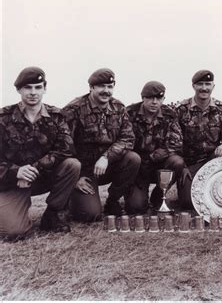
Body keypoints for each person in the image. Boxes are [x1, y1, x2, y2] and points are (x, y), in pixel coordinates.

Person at [0, 67, 80, 239]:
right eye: (28, 87)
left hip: (43, 177)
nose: (33, 92)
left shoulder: (57, 116)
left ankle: (53, 214)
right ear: (18, 90)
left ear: (44, 88)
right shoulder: (3, 118)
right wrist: (17, 172)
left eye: (38, 87)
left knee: (72, 165)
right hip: (12, 182)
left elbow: (66, 149)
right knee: (14, 232)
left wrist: (33, 168)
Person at [62, 68, 140, 221]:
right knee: (91, 215)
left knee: (133, 159)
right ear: (91, 88)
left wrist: (106, 157)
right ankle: (72, 199)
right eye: (101, 86)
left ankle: (113, 201)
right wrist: (75, 178)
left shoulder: (118, 107)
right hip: (84, 172)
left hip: (107, 166)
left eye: (110, 87)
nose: (106, 91)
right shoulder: (74, 109)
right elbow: (63, 144)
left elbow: (128, 138)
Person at [175, 69, 222, 209]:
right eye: (200, 84)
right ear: (193, 86)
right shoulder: (181, 109)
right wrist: (183, 167)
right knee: (188, 202)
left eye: (208, 84)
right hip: (190, 163)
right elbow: (174, 142)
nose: (204, 88)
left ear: (213, 86)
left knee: (216, 197)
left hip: (213, 161)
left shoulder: (221, 109)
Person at [125, 81, 184, 214]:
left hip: (158, 164)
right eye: (150, 98)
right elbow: (124, 140)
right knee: (136, 208)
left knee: (177, 162)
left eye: (158, 98)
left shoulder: (169, 114)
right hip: (137, 167)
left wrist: (154, 156)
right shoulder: (130, 113)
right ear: (143, 98)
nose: (154, 102)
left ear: (163, 99)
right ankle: (134, 193)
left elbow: (176, 142)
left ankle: (159, 194)